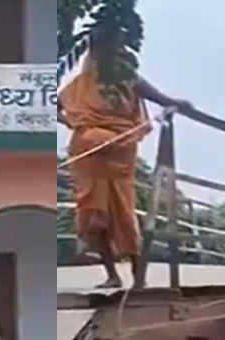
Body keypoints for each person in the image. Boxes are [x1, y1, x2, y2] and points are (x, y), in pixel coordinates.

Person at [58, 32, 191, 289]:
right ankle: (112, 275)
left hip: (120, 150)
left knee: (124, 215)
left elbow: (159, 98)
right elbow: (54, 106)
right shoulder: (82, 82)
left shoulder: (125, 76)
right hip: (88, 153)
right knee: (94, 215)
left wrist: (173, 103)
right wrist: (75, 122)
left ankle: (138, 277)